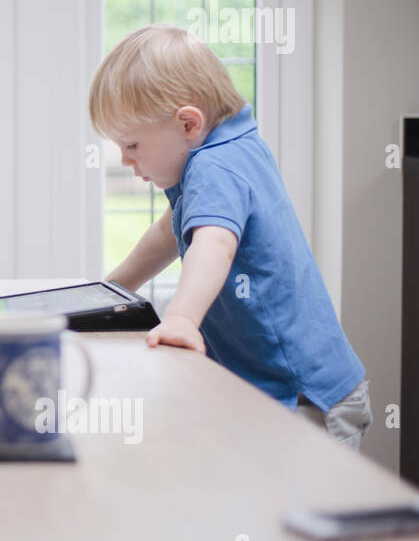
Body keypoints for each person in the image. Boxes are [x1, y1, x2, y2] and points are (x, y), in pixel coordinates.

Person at [87, 24, 372, 450]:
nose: (126, 160)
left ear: (187, 123)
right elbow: (171, 228)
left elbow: (215, 243)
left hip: (305, 398)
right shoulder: (226, 144)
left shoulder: (215, 166)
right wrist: (114, 287)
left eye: (132, 144)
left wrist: (181, 318)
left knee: (295, 509)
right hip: (288, 388)